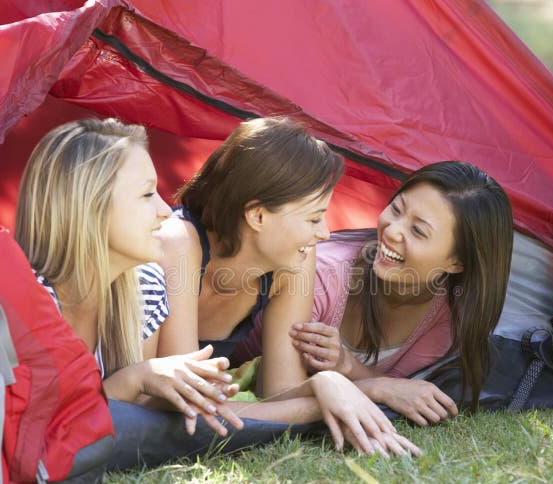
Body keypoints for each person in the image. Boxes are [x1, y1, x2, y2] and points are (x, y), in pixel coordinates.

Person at [16, 117, 417, 464]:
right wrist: (339, 392)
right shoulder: (167, 251)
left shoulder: (141, 291)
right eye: (145, 194)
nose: (162, 208)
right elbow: (166, 413)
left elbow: (150, 409)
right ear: (257, 215)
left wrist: (333, 382)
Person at [149, 117, 419, 456]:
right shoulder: (178, 245)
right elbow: (190, 410)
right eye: (312, 218)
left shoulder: (293, 262)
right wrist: (334, 397)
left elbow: (278, 392)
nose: (323, 233)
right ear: (257, 216)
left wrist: (334, 382)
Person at [236, 161, 514, 424]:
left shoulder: (448, 318)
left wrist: (349, 367)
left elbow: (396, 387)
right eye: (396, 209)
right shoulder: (321, 274)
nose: (393, 231)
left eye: (417, 230)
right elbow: (274, 395)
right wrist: (375, 388)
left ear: (456, 262)